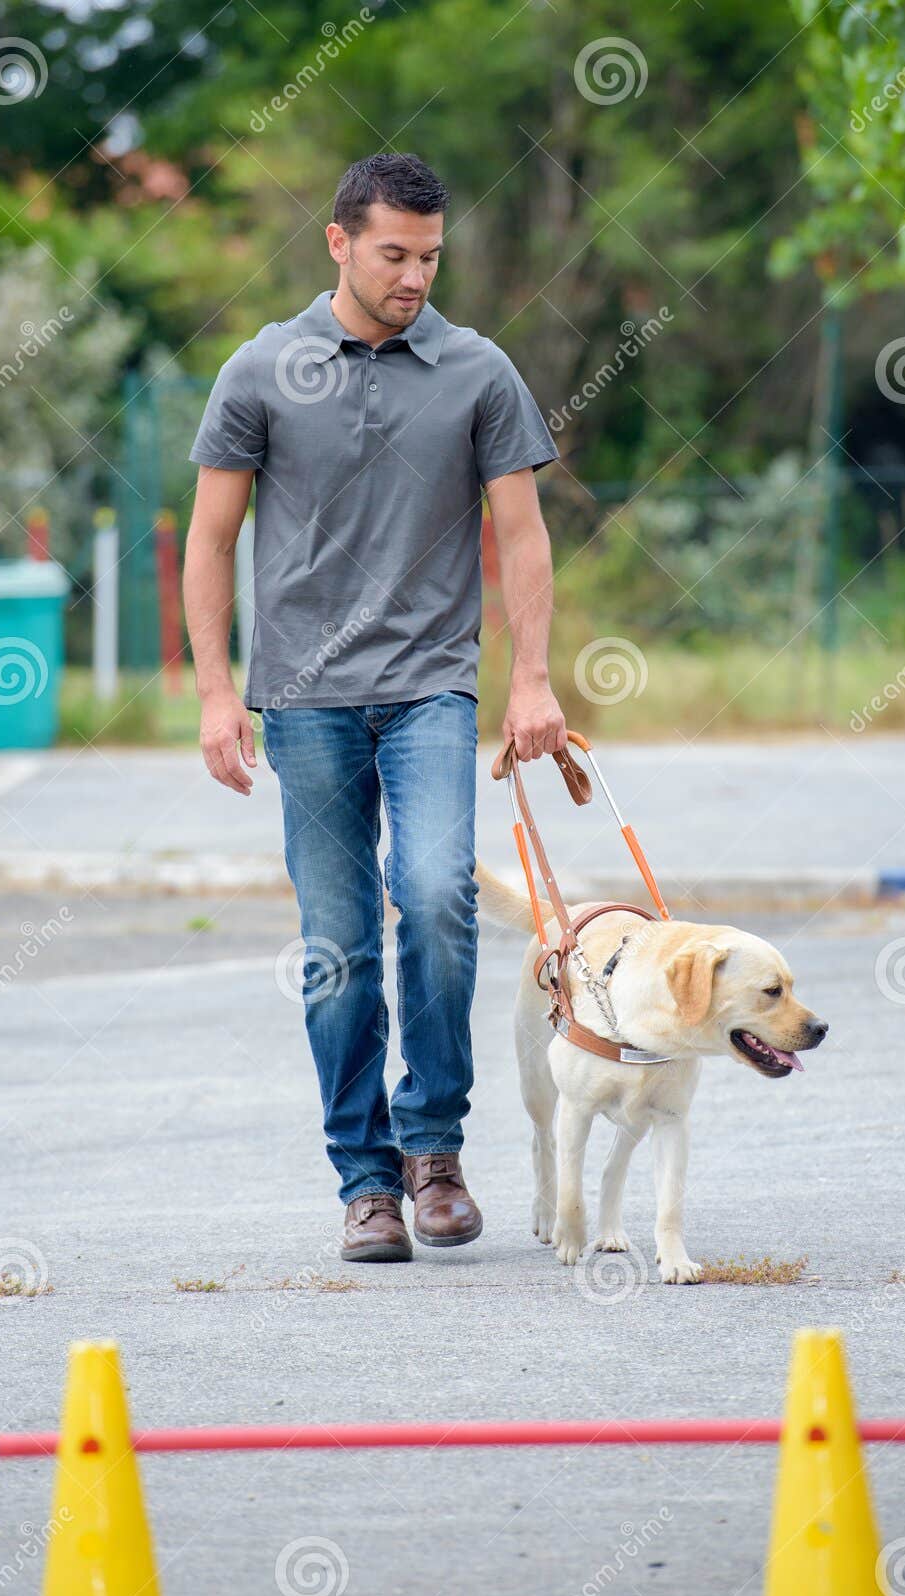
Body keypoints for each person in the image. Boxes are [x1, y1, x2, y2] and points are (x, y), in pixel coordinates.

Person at [184, 151, 566, 1263]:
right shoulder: (260, 369)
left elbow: (523, 533)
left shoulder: (478, 371)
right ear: (340, 243)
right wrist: (217, 693)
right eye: (394, 254)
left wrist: (531, 676)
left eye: (431, 256)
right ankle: (366, 1181)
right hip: (303, 700)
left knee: (440, 896)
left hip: (431, 687)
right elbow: (210, 539)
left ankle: (434, 1146)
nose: (414, 276)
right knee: (339, 945)